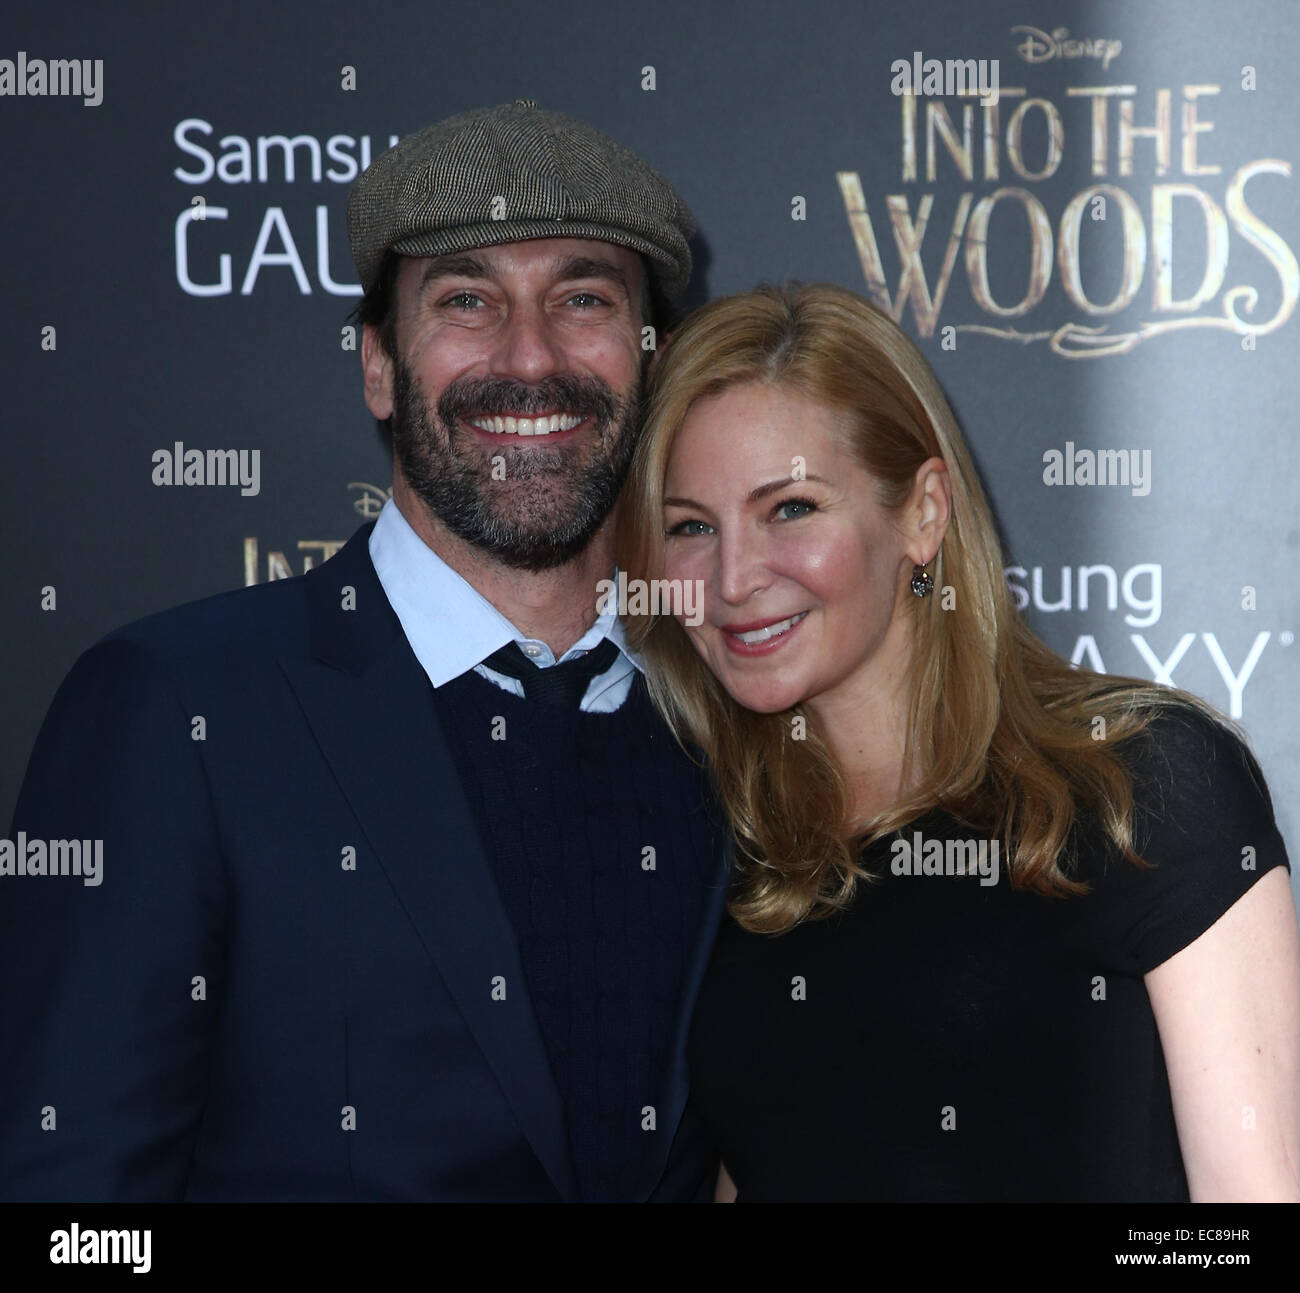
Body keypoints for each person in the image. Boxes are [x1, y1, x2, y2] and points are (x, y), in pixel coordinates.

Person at [0, 100, 730, 1202]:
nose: (528, 357)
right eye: (466, 301)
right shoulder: (179, 710)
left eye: (582, 298)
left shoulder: (733, 709)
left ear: (651, 361)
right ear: (380, 366)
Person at [615, 281, 1300, 1203]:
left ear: (924, 513)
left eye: (791, 509)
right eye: (691, 526)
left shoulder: (1145, 780)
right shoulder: (724, 847)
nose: (733, 577)